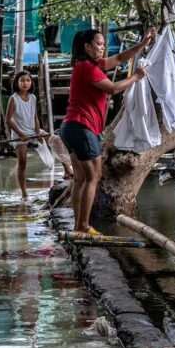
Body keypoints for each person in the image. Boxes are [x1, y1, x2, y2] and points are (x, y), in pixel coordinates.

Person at [58, 26, 154, 234]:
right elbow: (113, 88)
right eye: (99, 44)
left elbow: (119, 58)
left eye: (103, 44)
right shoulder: (87, 67)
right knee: (94, 176)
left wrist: (142, 44)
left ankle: (77, 225)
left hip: (71, 127)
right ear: (87, 47)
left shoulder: (90, 65)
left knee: (81, 178)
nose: (102, 48)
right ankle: (83, 225)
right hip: (82, 126)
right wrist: (137, 76)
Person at [4, 69, 49, 202]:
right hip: (19, 133)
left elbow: (35, 116)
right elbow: (8, 120)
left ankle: (68, 171)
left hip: (32, 131)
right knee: (22, 162)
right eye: (22, 80)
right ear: (17, 83)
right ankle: (24, 193)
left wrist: (37, 132)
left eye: (28, 80)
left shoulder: (33, 98)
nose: (25, 83)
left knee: (54, 140)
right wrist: (21, 134)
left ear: (31, 83)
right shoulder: (13, 99)